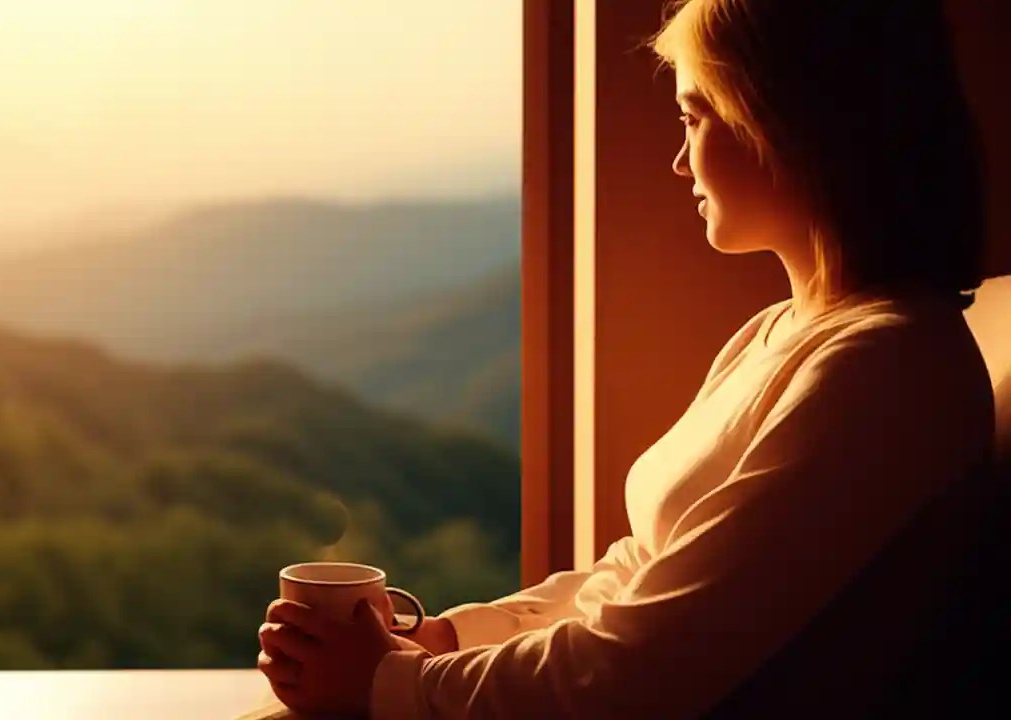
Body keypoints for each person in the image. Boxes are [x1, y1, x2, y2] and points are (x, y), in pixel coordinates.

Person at [256, 0, 996, 717]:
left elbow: (643, 670)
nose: (679, 161)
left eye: (695, 116)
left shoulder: (888, 371)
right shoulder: (784, 333)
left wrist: (393, 684)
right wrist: (442, 638)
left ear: (789, 120)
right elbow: (640, 573)